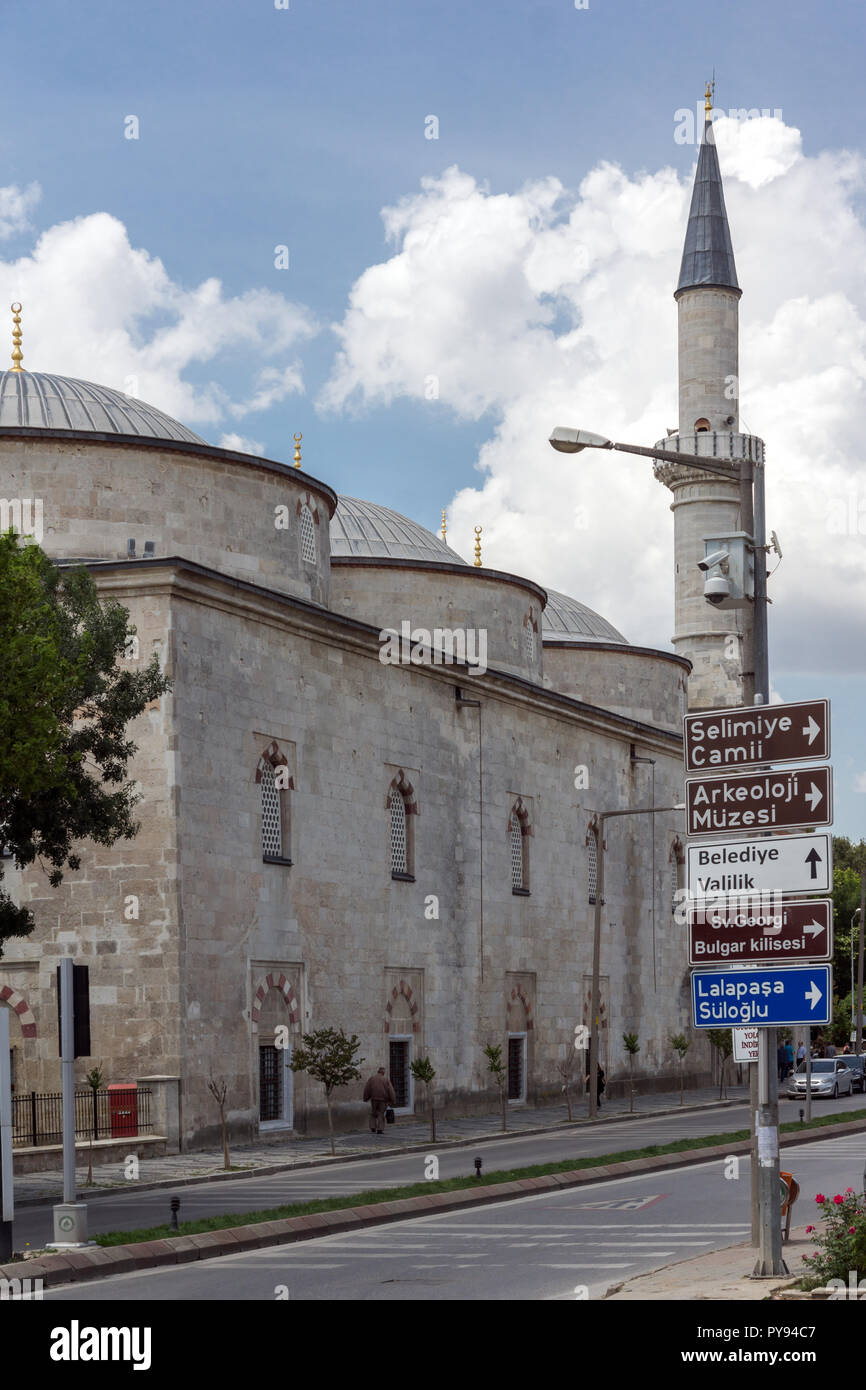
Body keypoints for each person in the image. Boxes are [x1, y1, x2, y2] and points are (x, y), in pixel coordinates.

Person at [362, 1066, 396, 1135]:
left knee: (373, 1113)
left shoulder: (372, 1079)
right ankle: (380, 1129)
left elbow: (367, 1089)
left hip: (374, 1099)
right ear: (383, 1072)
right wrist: (393, 1100)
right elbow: (391, 1091)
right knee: (381, 1114)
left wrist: (366, 1098)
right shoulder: (385, 1079)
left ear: (378, 1071)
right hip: (383, 1100)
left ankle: (372, 1127)